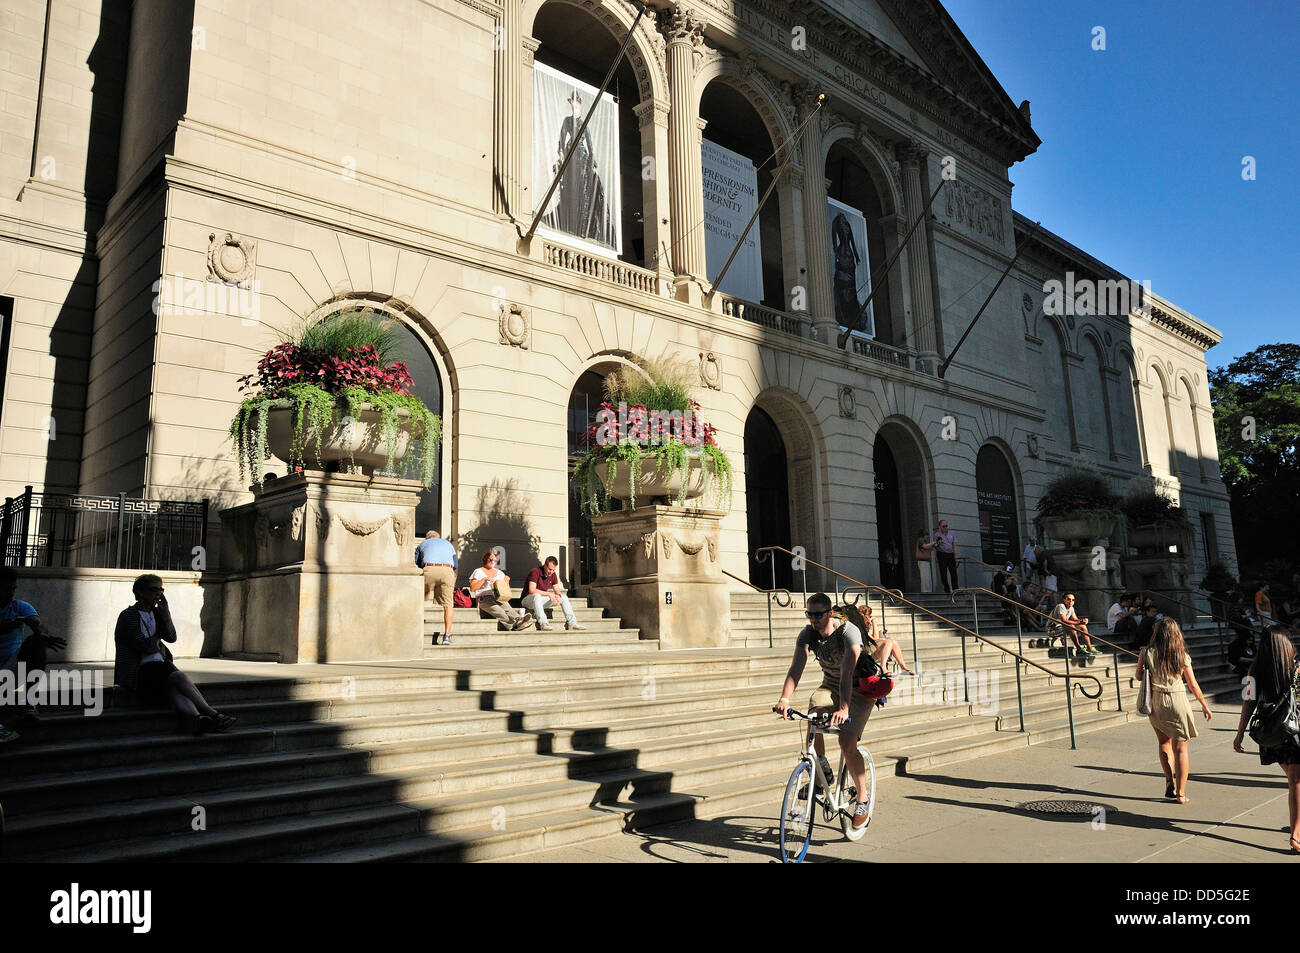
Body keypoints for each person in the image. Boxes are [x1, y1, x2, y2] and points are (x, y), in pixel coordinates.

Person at [774, 593, 877, 829]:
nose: (814, 619)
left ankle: (862, 798)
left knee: (846, 743)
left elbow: (848, 672)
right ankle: (822, 773)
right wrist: (784, 699)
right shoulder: (808, 634)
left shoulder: (847, 631)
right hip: (831, 685)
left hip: (858, 688)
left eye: (818, 614)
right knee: (813, 713)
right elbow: (796, 668)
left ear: (829, 613)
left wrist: (843, 708)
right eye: (809, 614)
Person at [113, 575, 235, 734]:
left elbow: (171, 637)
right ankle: (212, 713)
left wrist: (166, 614)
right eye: (153, 589)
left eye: (161, 589)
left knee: (174, 688)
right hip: (138, 672)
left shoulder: (157, 614)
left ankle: (197, 719)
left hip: (158, 668)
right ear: (140, 592)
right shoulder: (128, 616)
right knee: (178, 677)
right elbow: (144, 647)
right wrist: (157, 636)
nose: (158, 593)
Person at [1232, 626, 1300, 850]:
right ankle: (1296, 835)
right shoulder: (1297, 668)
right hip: (1296, 731)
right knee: (1296, 782)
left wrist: (1240, 733)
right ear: (1285, 645)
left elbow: (1247, 703)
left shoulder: (1252, 671)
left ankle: (1296, 831)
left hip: (1272, 733)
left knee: (1294, 779)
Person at [1139, 618, 1211, 804]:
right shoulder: (1181, 655)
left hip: (1156, 701)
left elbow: (1139, 676)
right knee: (1181, 748)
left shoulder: (1146, 652)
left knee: (1163, 742)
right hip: (1177, 700)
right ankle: (1180, 793)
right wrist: (1204, 704)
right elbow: (1193, 684)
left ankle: (1169, 781)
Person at [0, 567, 67, 743]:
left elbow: (36, 622)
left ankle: (27, 701)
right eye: (5, 588)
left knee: (35, 642)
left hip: (9, 668)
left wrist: (42, 634)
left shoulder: (19, 607)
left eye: (13, 588)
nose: (10, 593)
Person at [468, 550, 532, 630]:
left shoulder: (499, 573)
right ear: (485, 559)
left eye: (495, 560)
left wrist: (506, 582)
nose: (493, 562)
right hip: (484, 598)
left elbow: (504, 589)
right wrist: (484, 579)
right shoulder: (478, 571)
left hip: (498, 596)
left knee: (508, 608)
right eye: (490, 559)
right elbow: (472, 588)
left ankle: (519, 619)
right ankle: (514, 625)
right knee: (500, 611)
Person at [414, 530, 458, 646]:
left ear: (427, 538)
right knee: (448, 605)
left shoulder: (422, 544)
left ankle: (414, 631)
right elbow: (456, 565)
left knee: (418, 599)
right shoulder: (449, 544)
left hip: (429, 568)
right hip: (447, 571)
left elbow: (416, 564)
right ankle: (447, 636)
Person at [522, 556, 584, 632]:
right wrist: (549, 594)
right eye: (550, 569)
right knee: (537, 596)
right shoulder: (535, 571)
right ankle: (543, 623)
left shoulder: (553, 575)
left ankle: (572, 623)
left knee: (563, 597)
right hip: (527, 600)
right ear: (545, 565)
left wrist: (558, 596)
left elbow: (557, 589)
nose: (551, 572)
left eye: (553, 570)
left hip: (540, 600)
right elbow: (532, 590)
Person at [933, 520, 958, 593]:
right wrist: (937, 544)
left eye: (946, 526)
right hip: (942, 554)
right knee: (943, 573)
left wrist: (955, 554)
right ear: (940, 527)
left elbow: (954, 544)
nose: (945, 528)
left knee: (953, 572)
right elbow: (935, 546)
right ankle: (947, 590)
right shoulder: (937, 535)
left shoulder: (951, 534)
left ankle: (956, 589)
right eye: (944, 526)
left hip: (950, 554)